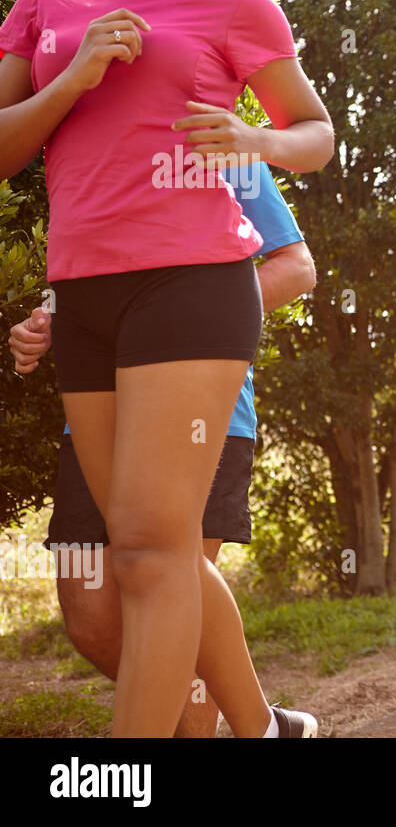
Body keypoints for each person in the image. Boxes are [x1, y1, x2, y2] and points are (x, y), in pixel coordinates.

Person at [0, 0, 334, 736]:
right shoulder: (47, 1)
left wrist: (256, 138)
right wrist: (73, 77)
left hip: (194, 285)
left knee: (150, 551)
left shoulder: (237, 7)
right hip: (85, 296)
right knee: (138, 566)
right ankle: (256, 730)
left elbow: (316, 132)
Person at [8, 160, 317, 737]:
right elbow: (94, 286)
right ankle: (264, 725)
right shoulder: (81, 150)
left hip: (203, 412)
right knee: (91, 615)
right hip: (99, 414)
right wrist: (50, 322)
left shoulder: (219, 144)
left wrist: (173, 320)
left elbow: (296, 269)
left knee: (173, 594)